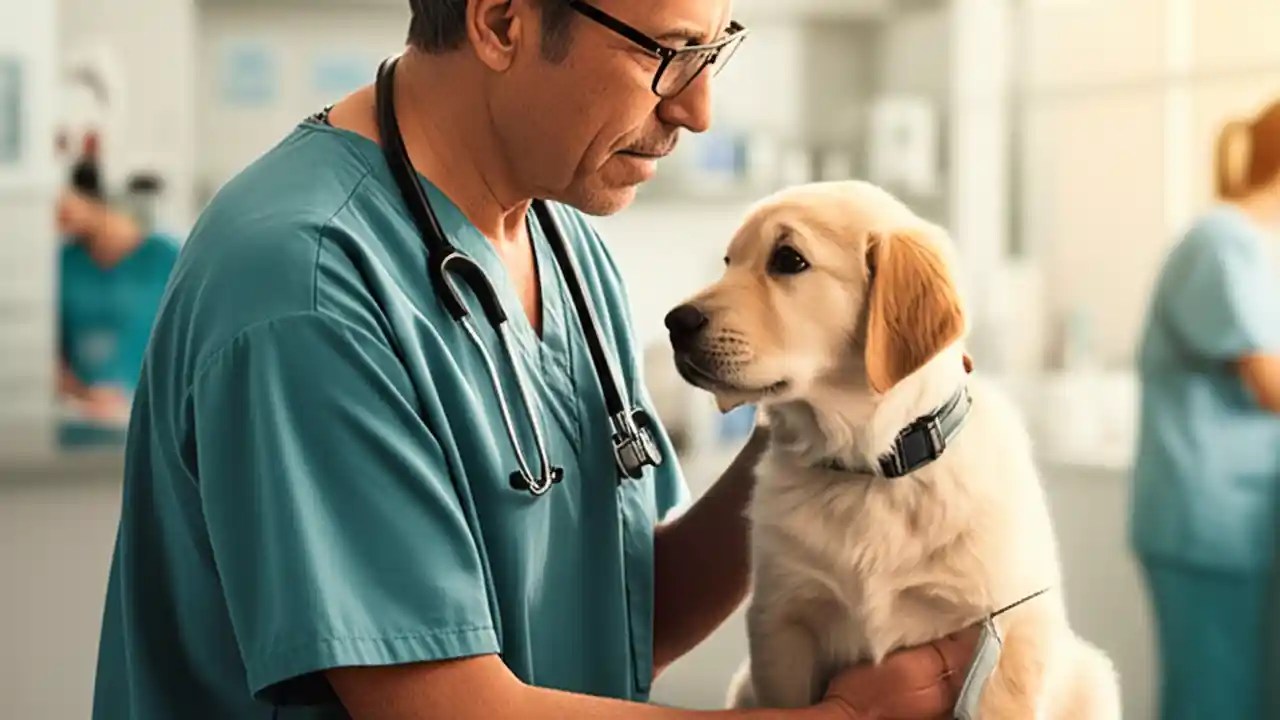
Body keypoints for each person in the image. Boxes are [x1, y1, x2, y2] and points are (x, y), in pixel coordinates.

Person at [91, 2, 980, 718]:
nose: (697, 108)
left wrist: (816, 436)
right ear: (501, 22)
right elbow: (443, 706)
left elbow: (617, 615)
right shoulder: (305, 287)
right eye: (666, 53)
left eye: (716, 49)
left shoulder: (557, 232)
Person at [1130, 98, 1280, 720]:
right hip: (1208, 525)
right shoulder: (1221, 245)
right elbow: (1270, 383)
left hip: (1240, 518)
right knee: (1214, 702)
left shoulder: (1254, 248)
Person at [56, 155, 179, 424]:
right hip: (83, 417)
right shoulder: (63, 263)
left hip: (153, 415)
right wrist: (83, 395)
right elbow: (48, 351)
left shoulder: (166, 258)